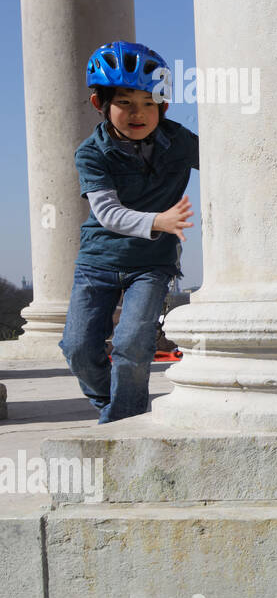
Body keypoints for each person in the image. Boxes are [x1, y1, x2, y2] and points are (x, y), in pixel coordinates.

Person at [59, 41, 199, 423]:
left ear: (164, 106)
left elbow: (231, 158)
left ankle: (124, 420)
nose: (139, 113)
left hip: (152, 264)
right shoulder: (91, 152)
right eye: (125, 103)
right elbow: (106, 212)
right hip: (98, 261)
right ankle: (115, 405)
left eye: (149, 103)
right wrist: (158, 221)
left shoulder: (181, 142)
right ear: (100, 105)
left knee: (132, 343)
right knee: (78, 348)